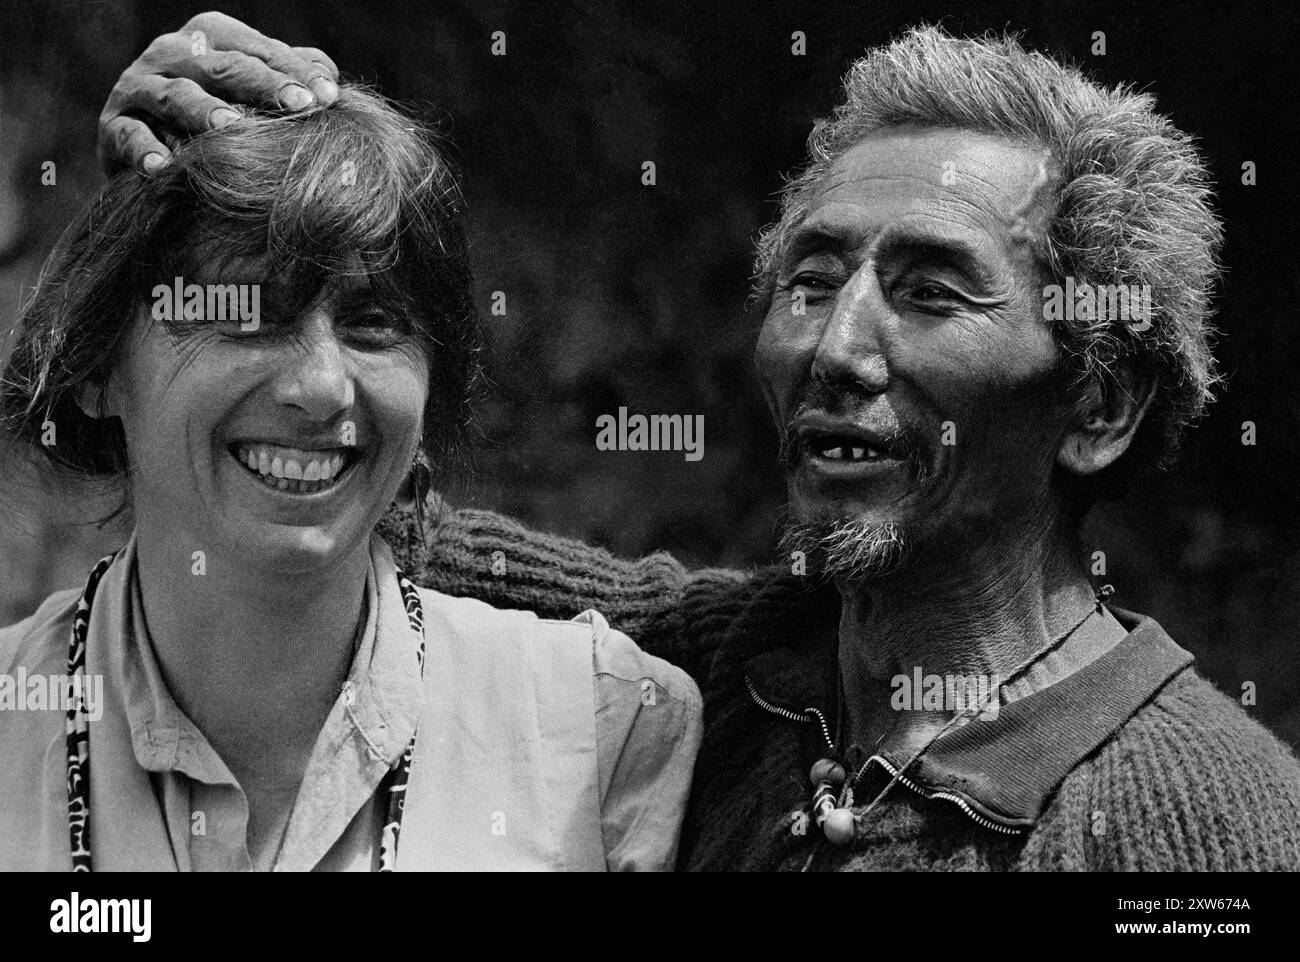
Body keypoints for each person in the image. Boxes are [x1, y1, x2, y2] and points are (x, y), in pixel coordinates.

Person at [91, 15, 1300, 870]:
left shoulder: (1205, 814)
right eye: (813, 276)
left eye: (932, 291)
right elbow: (341, 511)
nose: (836, 344)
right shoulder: (731, 677)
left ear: (1099, 405)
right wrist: (203, 215)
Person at [0, 79, 701, 871]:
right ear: (96, 365)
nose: (325, 386)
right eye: (248, 315)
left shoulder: (605, 729)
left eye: (374, 324)